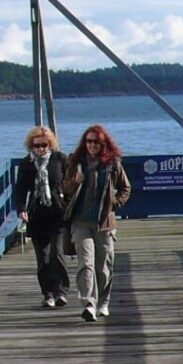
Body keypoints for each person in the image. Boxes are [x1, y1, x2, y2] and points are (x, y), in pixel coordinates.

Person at [61, 123, 130, 322]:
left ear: (103, 144)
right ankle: (88, 303)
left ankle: (103, 302)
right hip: (80, 221)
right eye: (88, 141)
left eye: (96, 142)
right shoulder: (75, 162)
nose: (92, 145)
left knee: (104, 266)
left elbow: (125, 188)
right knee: (86, 262)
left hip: (104, 223)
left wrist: (114, 204)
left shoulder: (112, 164)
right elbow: (64, 189)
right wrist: (75, 181)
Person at [13, 125, 70, 308]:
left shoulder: (60, 159)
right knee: (42, 257)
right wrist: (21, 209)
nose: (40, 149)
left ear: (50, 144)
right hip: (37, 214)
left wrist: (69, 205)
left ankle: (61, 291)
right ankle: (48, 293)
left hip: (57, 212)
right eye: (36, 146)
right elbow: (20, 189)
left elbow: (70, 184)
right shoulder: (26, 164)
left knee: (57, 253)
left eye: (44, 145)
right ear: (31, 146)